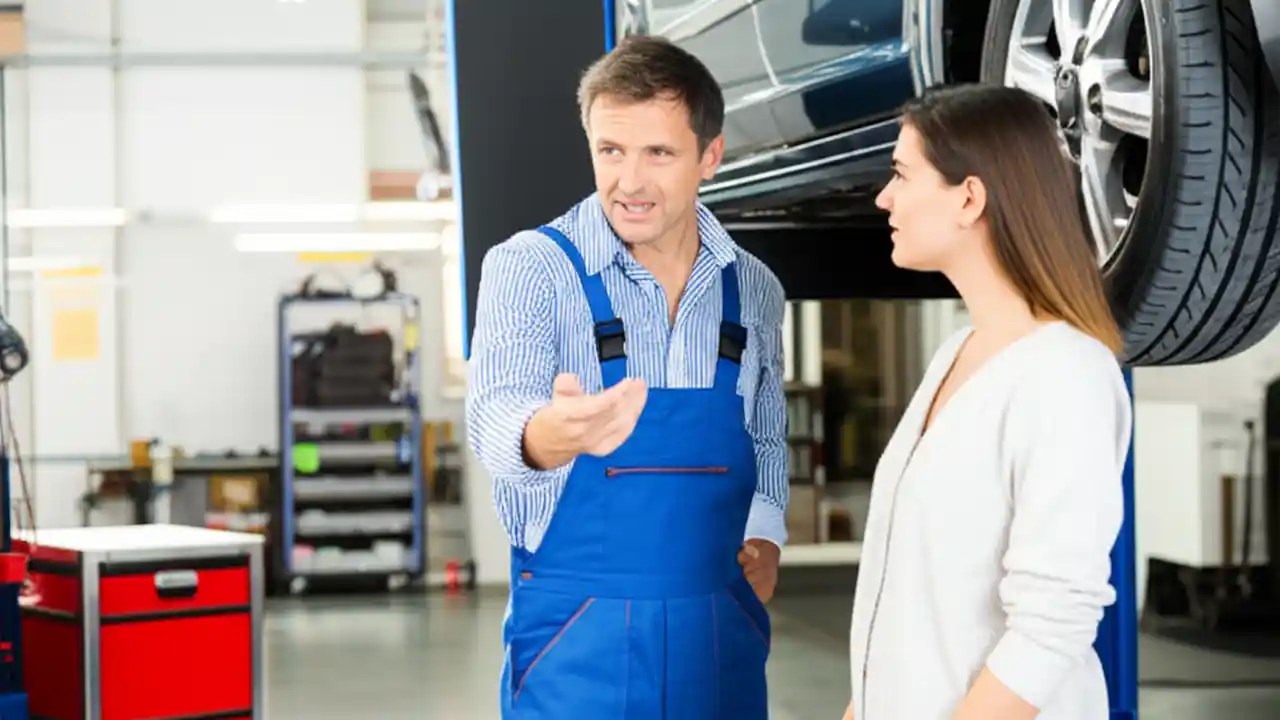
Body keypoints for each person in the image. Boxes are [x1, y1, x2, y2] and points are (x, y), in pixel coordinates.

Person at [465, 35, 789, 719]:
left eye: (658, 154)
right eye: (611, 151)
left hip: (719, 639)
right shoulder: (531, 268)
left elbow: (764, 432)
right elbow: (494, 413)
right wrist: (548, 434)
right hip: (576, 646)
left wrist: (766, 532)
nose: (629, 182)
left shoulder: (753, 288)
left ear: (710, 156)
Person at [842, 83, 1133, 720]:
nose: (884, 198)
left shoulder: (1066, 374)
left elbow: (1052, 622)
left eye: (901, 174)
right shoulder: (955, 354)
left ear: (969, 198)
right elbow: (906, 602)